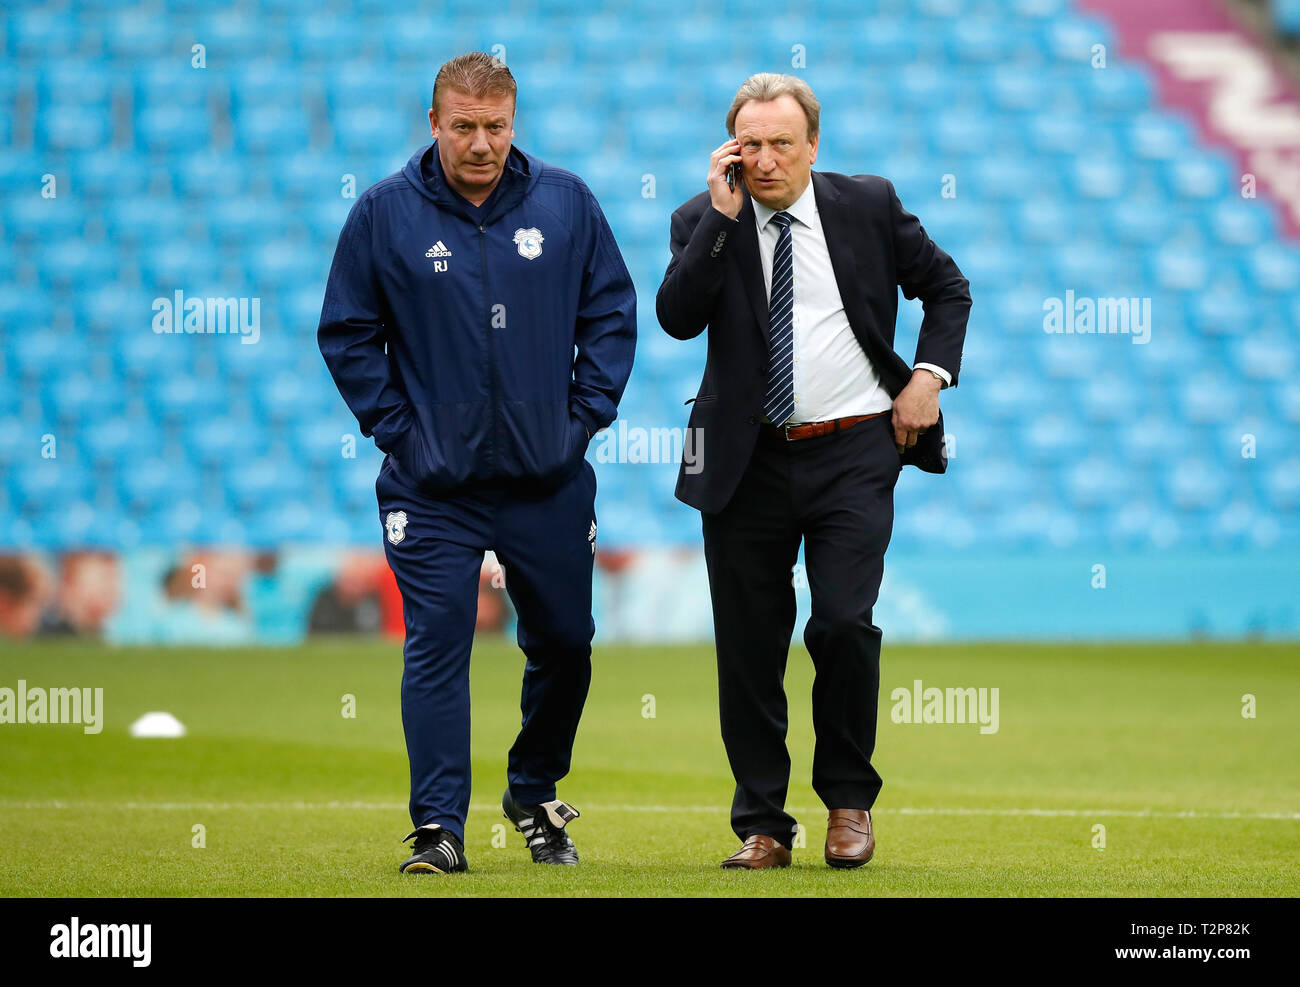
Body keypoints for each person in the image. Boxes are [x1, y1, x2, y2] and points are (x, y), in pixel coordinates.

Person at [318, 52, 636, 874]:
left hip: (547, 475)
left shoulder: (566, 203)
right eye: (463, 126)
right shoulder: (384, 214)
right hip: (432, 486)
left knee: (566, 641)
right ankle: (438, 829)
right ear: (433, 124)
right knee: (437, 638)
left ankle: (532, 790)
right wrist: (402, 432)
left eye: (495, 126)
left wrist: (579, 423)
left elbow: (611, 312)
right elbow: (347, 332)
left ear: (514, 122)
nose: (481, 144)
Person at [656, 74, 970, 870]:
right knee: (750, 643)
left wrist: (926, 379)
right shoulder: (701, 220)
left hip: (855, 450)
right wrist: (721, 225)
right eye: (749, 145)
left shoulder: (866, 205)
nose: (764, 160)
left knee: (841, 621)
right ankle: (762, 823)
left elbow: (946, 287)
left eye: (780, 144)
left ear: (812, 145)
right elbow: (676, 316)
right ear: (730, 151)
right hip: (744, 456)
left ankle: (848, 803)